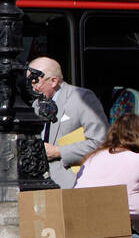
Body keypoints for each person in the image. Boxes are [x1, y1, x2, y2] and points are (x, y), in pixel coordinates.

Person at [27, 57, 110, 189]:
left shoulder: (82, 98)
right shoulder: (36, 105)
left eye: (35, 81)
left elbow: (101, 142)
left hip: (73, 184)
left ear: (54, 81)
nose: (33, 87)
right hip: (38, 183)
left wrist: (59, 151)